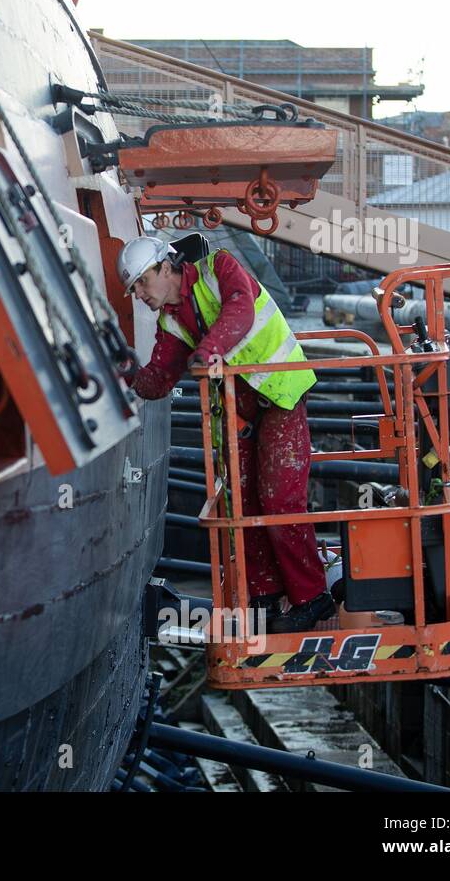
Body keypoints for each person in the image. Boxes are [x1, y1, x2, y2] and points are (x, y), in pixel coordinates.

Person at [117, 234, 334, 633]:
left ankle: (312, 598)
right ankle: (265, 597)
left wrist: (207, 351)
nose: (139, 295)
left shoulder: (218, 268)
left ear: (166, 268)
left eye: (142, 283)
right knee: (241, 501)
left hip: (281, 390)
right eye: (133, 289)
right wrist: (126, 371)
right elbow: (159, 380)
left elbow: (241, 310)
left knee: (279, 499)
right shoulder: (172, 320)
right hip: (243, 408)